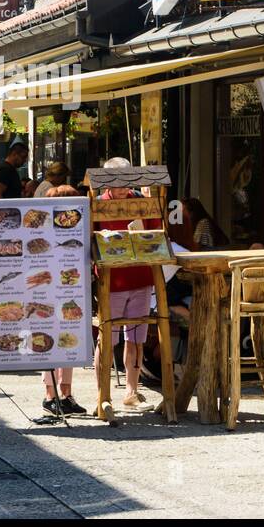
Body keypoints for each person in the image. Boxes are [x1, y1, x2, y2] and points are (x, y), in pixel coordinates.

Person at [94, 157, 161, 408]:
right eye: (115, 181)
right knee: (107, 339)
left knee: (136, 338)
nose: (121, 187)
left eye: (125, 180)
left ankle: (132, 391)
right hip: (112, 281)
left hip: (140, 277)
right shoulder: (98, 204)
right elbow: (91, 238)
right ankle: (102, 394)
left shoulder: (142, 202)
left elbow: (156, 233)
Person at [41, 185, 87, 416]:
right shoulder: (43, 227)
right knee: (50, 341)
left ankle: (65, 394)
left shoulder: (77, 227)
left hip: (71, 291)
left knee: (67, 341)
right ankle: (51, 395)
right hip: (49, 292)